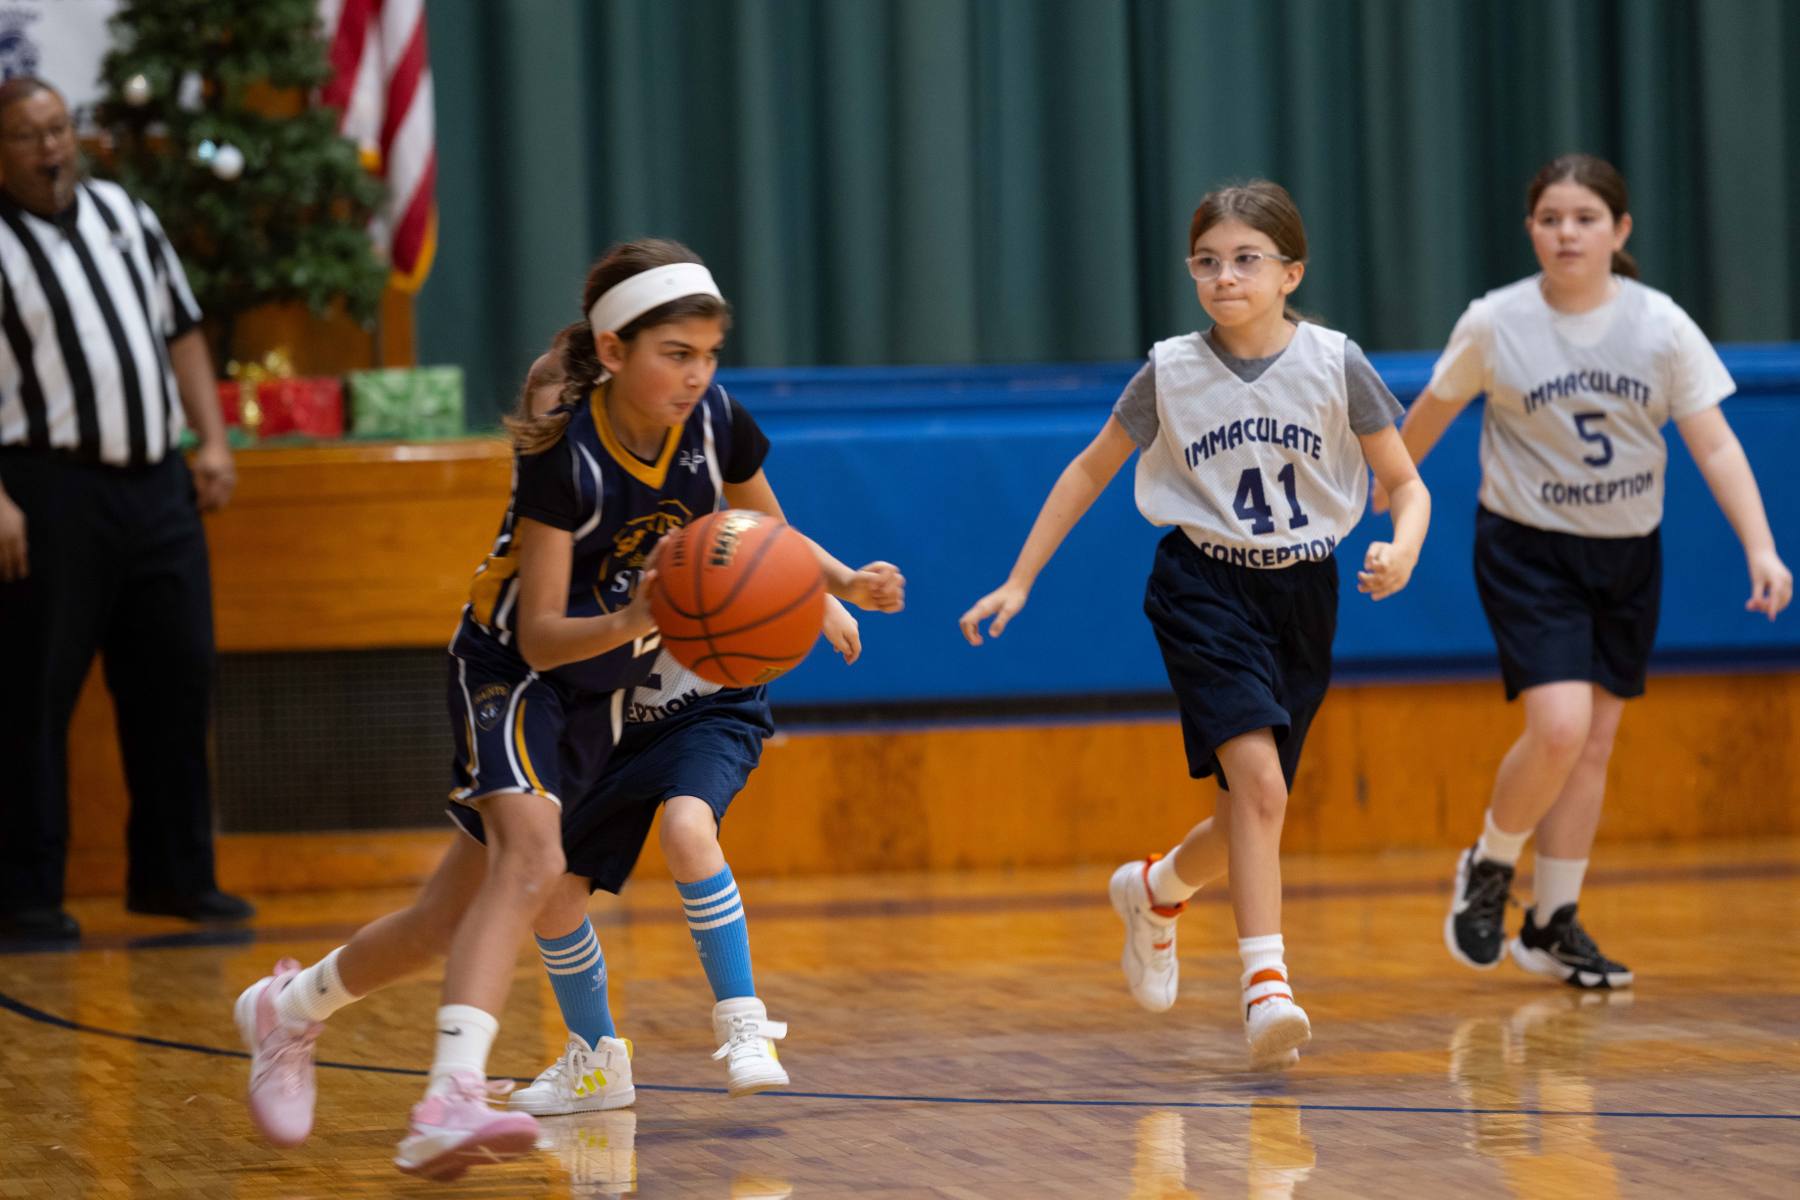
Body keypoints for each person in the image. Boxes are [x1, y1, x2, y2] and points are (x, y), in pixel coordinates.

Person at [230, 238, 903, 1180]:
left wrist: (836, 582)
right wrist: (639, 613)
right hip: (513, 673)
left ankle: (286, 1011)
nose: (697, 374)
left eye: (710, 354)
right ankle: (447, 1100)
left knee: (439, 921)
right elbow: (542, 635)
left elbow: (764, 531)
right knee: (537, 860)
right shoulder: (565, 459)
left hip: (600, 695)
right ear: (616, 350)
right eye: (678, 353)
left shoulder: (715, 425)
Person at [960, 180, 1429, 1068]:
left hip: (1304, 595)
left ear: (1292, 272)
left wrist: (1402, 546)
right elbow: (1088, 471)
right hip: (1202, 586)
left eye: (1246, 260)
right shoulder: (1171, 370)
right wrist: (1020, 580)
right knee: (1262, 789)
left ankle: (1155, 890)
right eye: (1207, 262)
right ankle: (1266, 989)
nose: (1224, 277)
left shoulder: (1336, 363)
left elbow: (1407, 484)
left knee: (1248, 812)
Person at [1385, 153, 1791, 989]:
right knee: (1562, 726)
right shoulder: (1495, 323)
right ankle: (1492, 864)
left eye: (1585, 218)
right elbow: (1423, 420)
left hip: (1626, 551)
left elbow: (1714, 442)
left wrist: (1760, 544)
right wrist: (1377, 503)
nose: (1566, 233)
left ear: (1620, 230)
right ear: (1531, 229)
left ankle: (1552, 923)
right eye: (1550, 218)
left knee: (1594, 744)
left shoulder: (1660, 326)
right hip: (1528, 547)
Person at [0, 76, 252, 942]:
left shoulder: (123, 214)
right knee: (33, 694)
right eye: (29, 136)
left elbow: (181, 328)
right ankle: (25, 894)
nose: (50, 148)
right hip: (46, 488)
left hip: (156, 483)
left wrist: (211, 441)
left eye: (58, 129)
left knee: (178, 675)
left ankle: (178, 878)